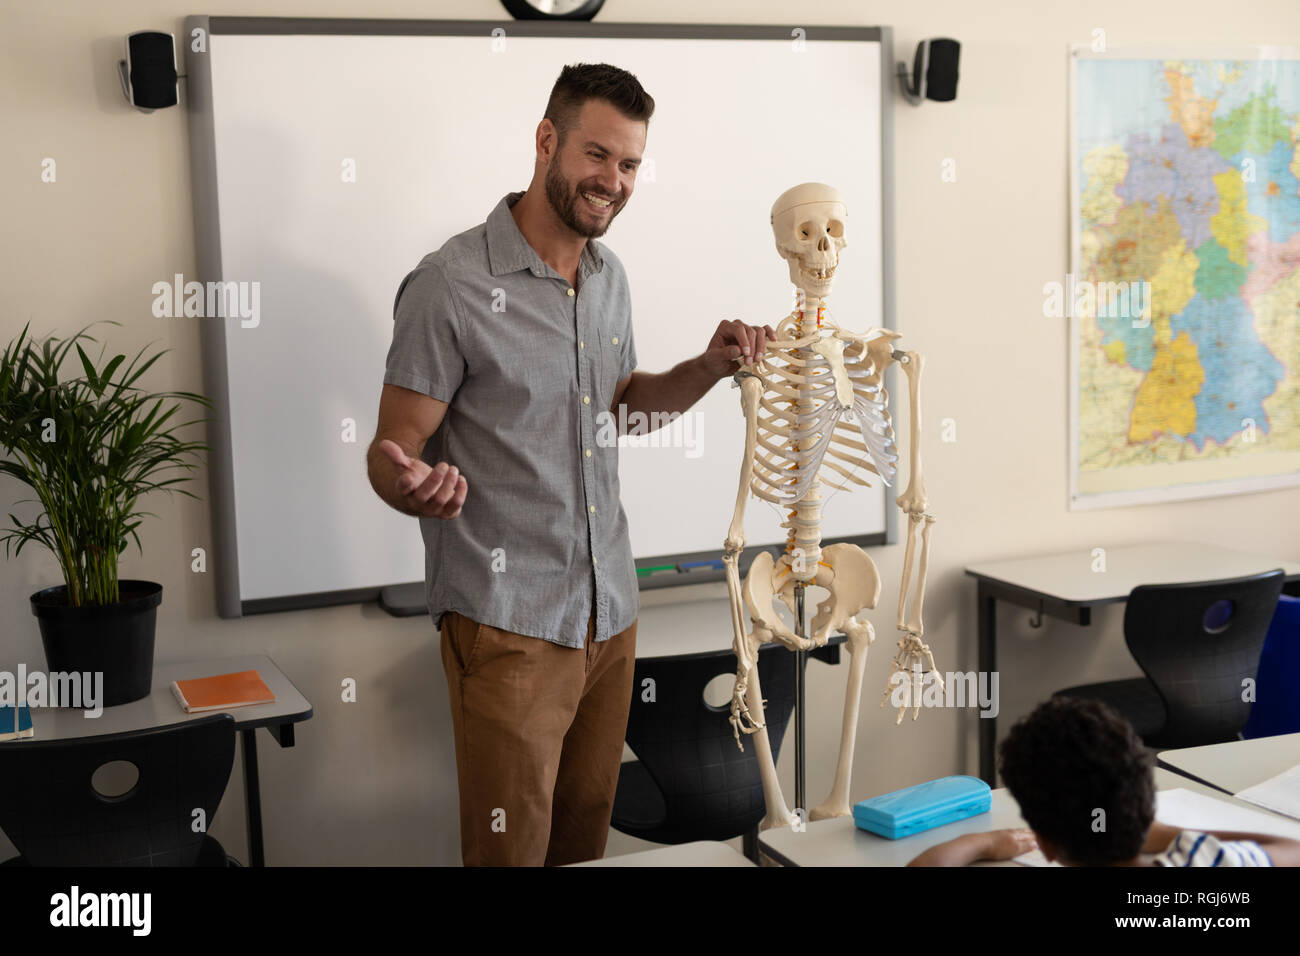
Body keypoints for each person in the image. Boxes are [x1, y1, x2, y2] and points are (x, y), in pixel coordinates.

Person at [367, 62, 774, 866]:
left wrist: (709, 365)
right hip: (508, 622)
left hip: (608, 616)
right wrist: (414, 489)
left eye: (629, 165)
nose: (613, 182)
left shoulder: (606, 276)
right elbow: (393, 455)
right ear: (547, 141)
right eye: (598, 156)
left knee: (583, 843)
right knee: (511, 852)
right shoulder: (449, 284)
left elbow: (621, 409)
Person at [908, 697, 1300, 866]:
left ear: (1045, 846)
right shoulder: (1211, 865)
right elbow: (1291, 849)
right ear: (1146, 796)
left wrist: (983, 841)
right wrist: (1162, 832)